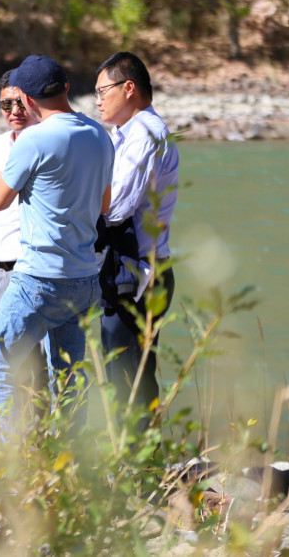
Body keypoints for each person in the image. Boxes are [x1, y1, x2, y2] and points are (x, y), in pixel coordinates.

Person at [0, 55, 114, 436]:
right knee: (68, 378)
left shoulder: (33, 140)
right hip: (85, 277)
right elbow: (104, 205)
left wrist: (5, 178)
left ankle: (8, 466)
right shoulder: (99, 134)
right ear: (67, 87)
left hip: (39, 278)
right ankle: (70, 459)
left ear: (27, 99)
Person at [94, 52, 179, 418]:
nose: (98, 101)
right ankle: (138, 452)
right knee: (128, 379)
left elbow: (115, 207)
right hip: (131, 269)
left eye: (102, 91)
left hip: (138, 274)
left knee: (129, 384)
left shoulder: (145, 133)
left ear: (128, 88)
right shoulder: (125, 134)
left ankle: (137, 454)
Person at [0, 70, 48, 415]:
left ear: (33, 101)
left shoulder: (51, 142)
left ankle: (49, 439)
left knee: (46, 367)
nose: (14, 111)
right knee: (3, 364)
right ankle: (10, 442)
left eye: (20, 102)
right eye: (6, 104)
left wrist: (16, 185)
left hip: (41, 267)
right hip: (1, 268)